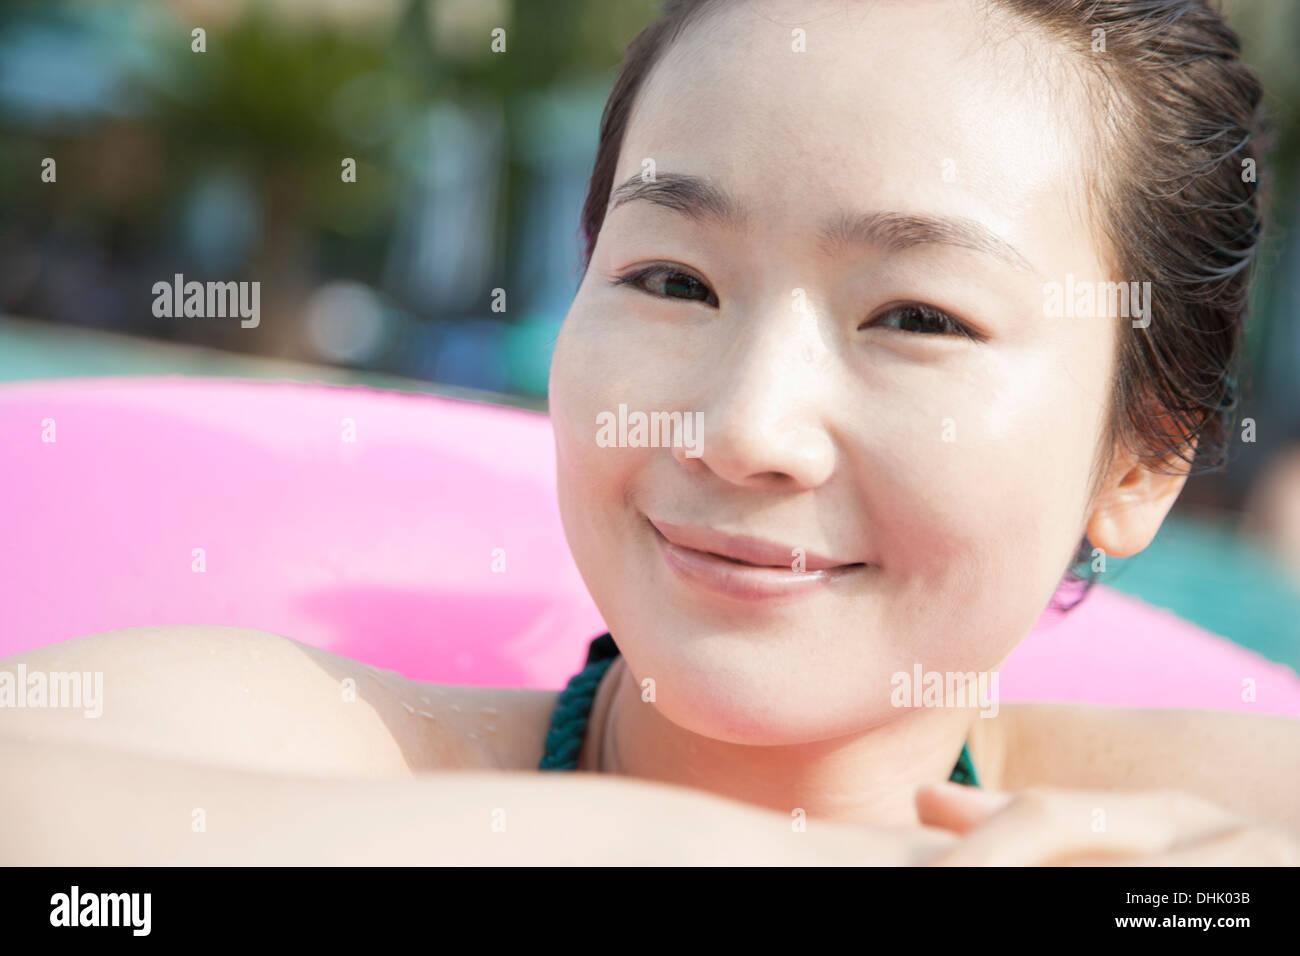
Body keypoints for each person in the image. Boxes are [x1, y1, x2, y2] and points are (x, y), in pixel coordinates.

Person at [3, 0, 1297, 865]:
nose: (744, 431)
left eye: (918, 315)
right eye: (672, 280)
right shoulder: (315, 746)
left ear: (1142, 459)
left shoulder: (1224, 832)